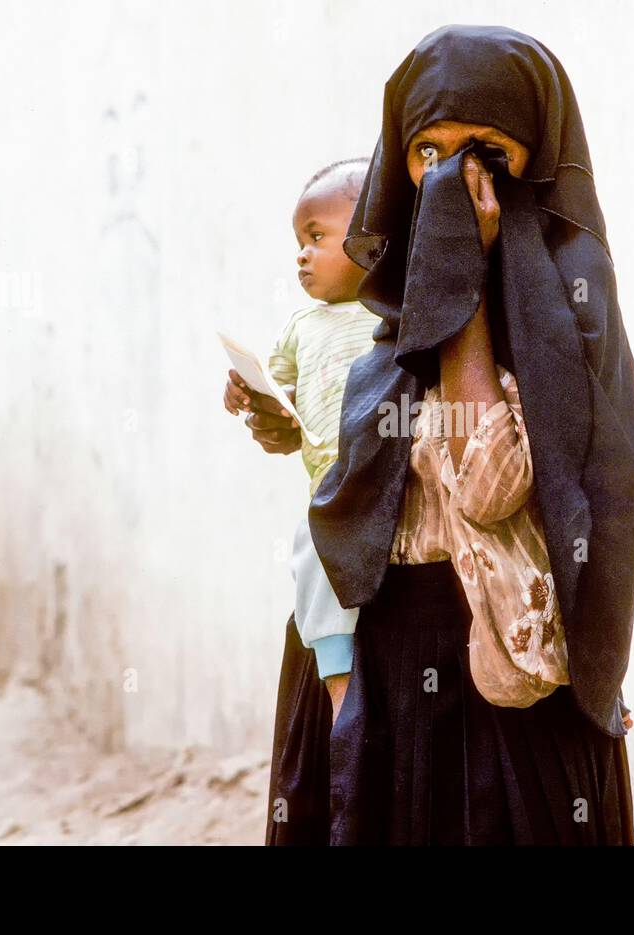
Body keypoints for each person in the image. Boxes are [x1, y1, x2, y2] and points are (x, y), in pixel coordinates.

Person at [239, 24, 634, 845]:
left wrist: (460, 292)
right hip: (386, 666)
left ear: (535, 157)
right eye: (427, 151)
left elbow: (488, 483)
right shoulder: (383, 311)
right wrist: (285, 426)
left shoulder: (562, 299)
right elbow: (366, 473)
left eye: (486, 152)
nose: (451, 180)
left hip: (500, 685)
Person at [221, 157, 377, 844]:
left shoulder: (390, 316)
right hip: (328, 492)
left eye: (317, 236)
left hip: (387, 496)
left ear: (372, 233)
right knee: (314, 561)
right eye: (298, 241)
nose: (302, 254)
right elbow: (275, 404)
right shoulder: (303, 328)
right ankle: (342, 695)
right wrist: (248, 397)